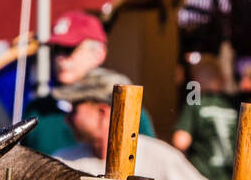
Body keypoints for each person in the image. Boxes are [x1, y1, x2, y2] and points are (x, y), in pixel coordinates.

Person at [53, 69, 223, 180]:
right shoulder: (63, 161)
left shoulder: (159, 156)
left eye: (74, 109)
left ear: (102, 113)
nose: (67, 119)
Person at [21, 10, 156, 155]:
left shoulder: (124, 111)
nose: (59, 58)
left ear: (98, 54)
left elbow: (146, 162)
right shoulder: (38, 111)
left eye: (68, 49)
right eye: (55, 50)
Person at [172, 57, 239, 180]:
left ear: (196, 82)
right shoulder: (232, 105)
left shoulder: (195, 102)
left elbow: (181, 140)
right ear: (223, 80)